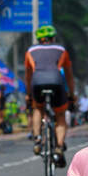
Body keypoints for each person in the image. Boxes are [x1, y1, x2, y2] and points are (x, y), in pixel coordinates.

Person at [25, 24, 74, 166]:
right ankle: (59, 146)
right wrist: (71, 95)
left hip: (37, 82)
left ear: (39, 39)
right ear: (53, 38)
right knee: (60, 116)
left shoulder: (30, 51)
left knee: (38, 109)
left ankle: (38, 139)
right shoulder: (61, 50)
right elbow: (69, 76)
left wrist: (29, 94)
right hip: (56, 81)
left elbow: (28, 76)